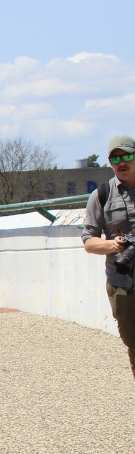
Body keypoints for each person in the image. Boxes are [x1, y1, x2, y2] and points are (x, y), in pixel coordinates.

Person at [82, 134, 135, 379]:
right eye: (115, 158)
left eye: (127, 155)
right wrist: (114, 245)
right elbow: (89, 242)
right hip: (122, 283)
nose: (121, 162)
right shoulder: (102, 195)